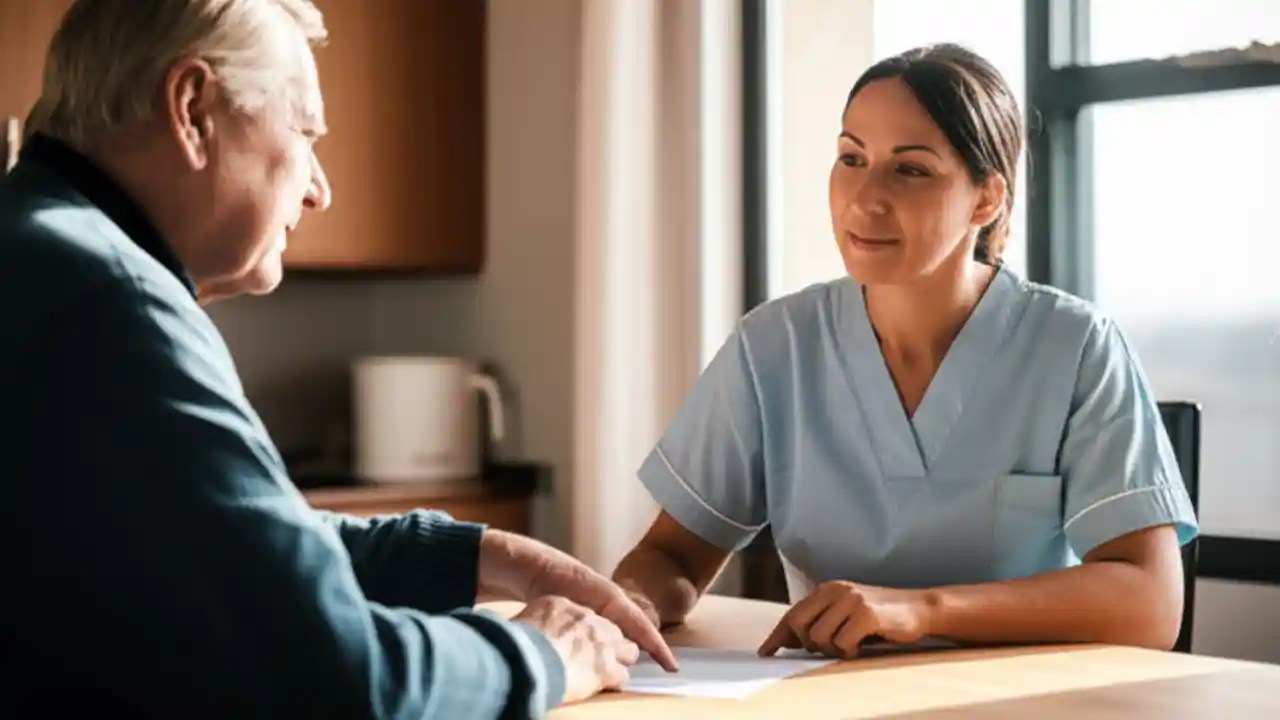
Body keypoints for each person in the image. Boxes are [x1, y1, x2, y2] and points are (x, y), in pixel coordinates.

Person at [0, 1, 675, 717]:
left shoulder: (40, 252)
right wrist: (544, 652)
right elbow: (341, 679)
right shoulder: (110, 299)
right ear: (193, 109)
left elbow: (230, 553)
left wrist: (475, 556)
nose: (320, 189)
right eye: (304, 132)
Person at [612, 43, 1200, 659]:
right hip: (831, 698)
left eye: (910, 168)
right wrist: (618, 608)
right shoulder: (773, 348)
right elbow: (672, 555)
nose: (864, 198)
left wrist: (920, 609)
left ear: (986, 199)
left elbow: (1149, 603)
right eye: (851, 158)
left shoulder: (1076, 348)